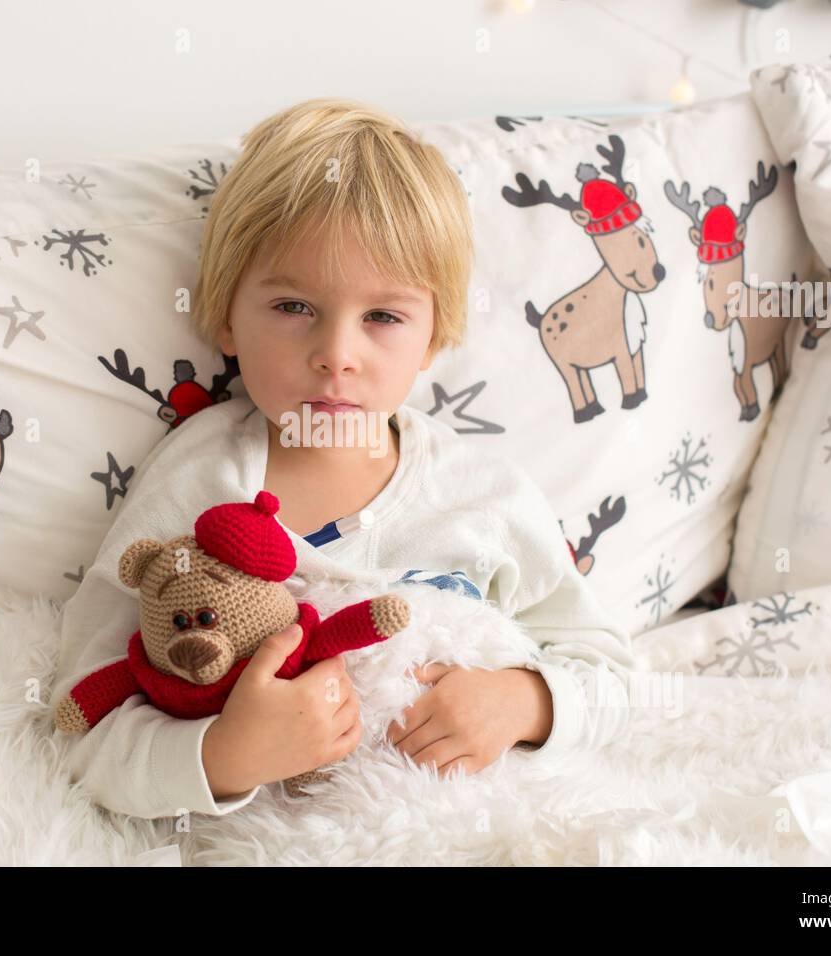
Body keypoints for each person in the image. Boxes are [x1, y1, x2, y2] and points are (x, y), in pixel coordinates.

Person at [50, 97, 635, 820]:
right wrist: (225, 756)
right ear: (227, 315)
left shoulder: (483, 497)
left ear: (432, 339)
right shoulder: (200, 481)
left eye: (384, 317)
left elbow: (609, 670)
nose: (336, 356)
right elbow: (84, 711)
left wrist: (523, 702)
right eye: (294, 306)